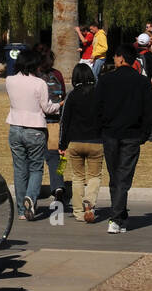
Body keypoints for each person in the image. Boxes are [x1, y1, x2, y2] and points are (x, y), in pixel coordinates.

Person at [94, 43, 152, 233]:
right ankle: (118, 215)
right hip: (131, 134)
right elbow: (150, 112)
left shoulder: (105, 80)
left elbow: (97, 108)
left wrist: (101, 129)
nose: (113, 60)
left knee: (117, 176)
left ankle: (117, 216)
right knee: (122, 177)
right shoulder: (142, 82)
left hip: (111, 134)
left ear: (121, 58)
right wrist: (145, 134)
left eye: (114, 57)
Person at [6, 48, 57, 220]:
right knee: (36, 168)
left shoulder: (10, 80)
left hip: (15, 127)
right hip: (35, 128)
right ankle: (30, 197)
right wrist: (60, 104)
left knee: (19, 169)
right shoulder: (39, 83)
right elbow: (47, 107)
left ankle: (21, 209)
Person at [58, 63, 102, 223]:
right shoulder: (99, 94)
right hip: (96, 141)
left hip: (75, 142)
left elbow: (64, 121)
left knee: (77, 178)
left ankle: (78, 212)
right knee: (95, 176)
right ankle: (89, 200)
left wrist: (62, 145)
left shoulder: (72, 95)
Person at [37, 49, 67, 203]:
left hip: (38, 122)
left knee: (36, 158)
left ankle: (33, 189)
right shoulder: (58, 75)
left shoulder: (35, 75)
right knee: (58, 155)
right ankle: (59, 186)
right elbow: (64, 94)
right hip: (55, 123)